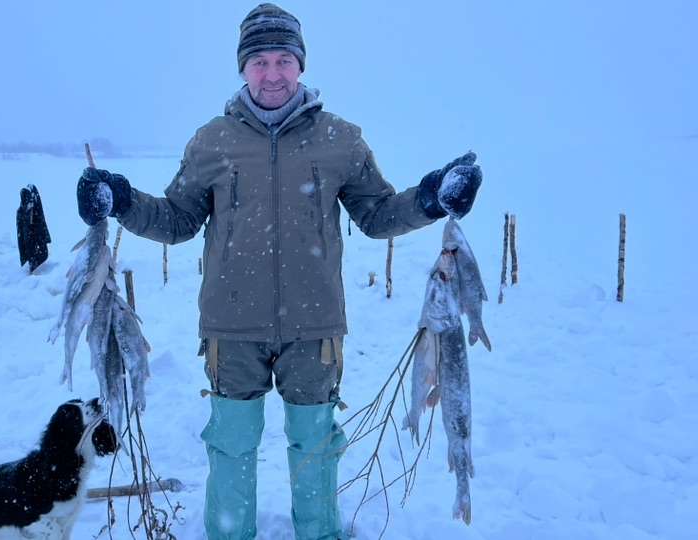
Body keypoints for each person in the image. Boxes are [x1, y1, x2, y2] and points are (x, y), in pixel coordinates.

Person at [76, 4, 482, 539]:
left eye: (284, 60)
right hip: (231, 325)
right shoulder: (212, 141)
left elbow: (379, 214)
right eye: (261, 61)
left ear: (301, 65)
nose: (273, 73)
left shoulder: (341, 140)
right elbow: (176, 220)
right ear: (243, 68)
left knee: (315, 446)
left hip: (315, 327)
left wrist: (430, 198)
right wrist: (123, 200)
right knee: (231, 446)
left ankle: (319, 535)